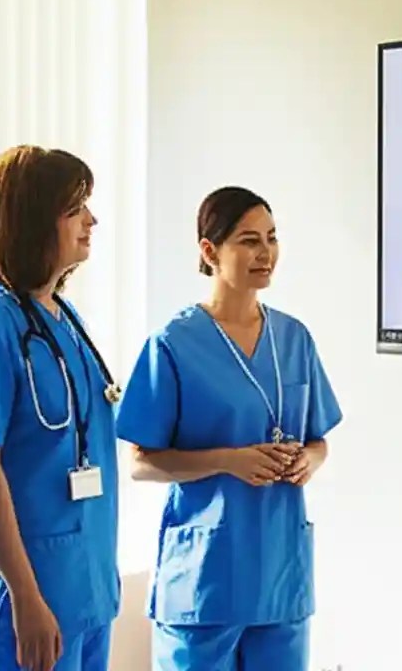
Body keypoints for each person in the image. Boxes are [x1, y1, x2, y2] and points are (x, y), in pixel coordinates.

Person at [116, 186, 343, 671]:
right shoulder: (174, 343)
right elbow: (139, 462)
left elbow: (319, 438)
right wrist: (226, 460)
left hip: (281, 576)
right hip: (205, 580)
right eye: (247, 240)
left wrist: (310, 459)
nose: (265, 253)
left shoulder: (293, 337)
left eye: (272, 238)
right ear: (209, 251)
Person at [0, 146, 121, 671]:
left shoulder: (66, 321)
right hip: (29, 599)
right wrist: (23, 593)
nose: (92, 220)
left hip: (87, 590)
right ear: (34, 220)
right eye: (76, 209)